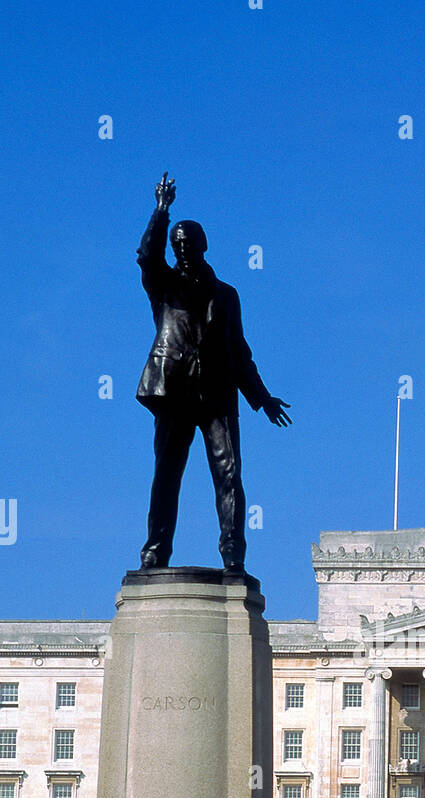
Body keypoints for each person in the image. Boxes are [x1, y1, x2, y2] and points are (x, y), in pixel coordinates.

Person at [136, 172, 291, 572]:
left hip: (218, 394)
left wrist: (262, 396)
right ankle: (155, 551)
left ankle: (233, 553)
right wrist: (161, 212)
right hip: (173, 390)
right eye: (177, 244)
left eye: (189, 244)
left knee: (229, 475)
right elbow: (146, 255)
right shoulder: (163, 283)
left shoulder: (226, 295)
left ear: (204, 246)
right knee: (167, 475)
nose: (182, 250)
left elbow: (238, 351)